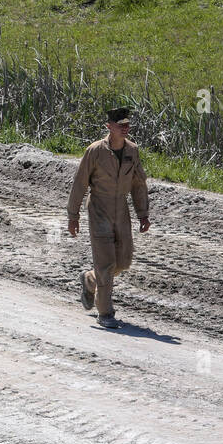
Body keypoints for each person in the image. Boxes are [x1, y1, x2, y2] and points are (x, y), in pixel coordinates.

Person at [66, 107, 150, 329]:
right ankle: (105, 313)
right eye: (120, 125)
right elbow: (80, 183)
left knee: (123, 261)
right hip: (99, 209)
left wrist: (143, 214)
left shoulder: (132, 150)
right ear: (109, 127)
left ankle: (90, 280)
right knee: (106, 263)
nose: (125, 128)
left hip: (121, 210)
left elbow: (139, 184)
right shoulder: (94, 151)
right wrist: (72, 216)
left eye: (127, 124)